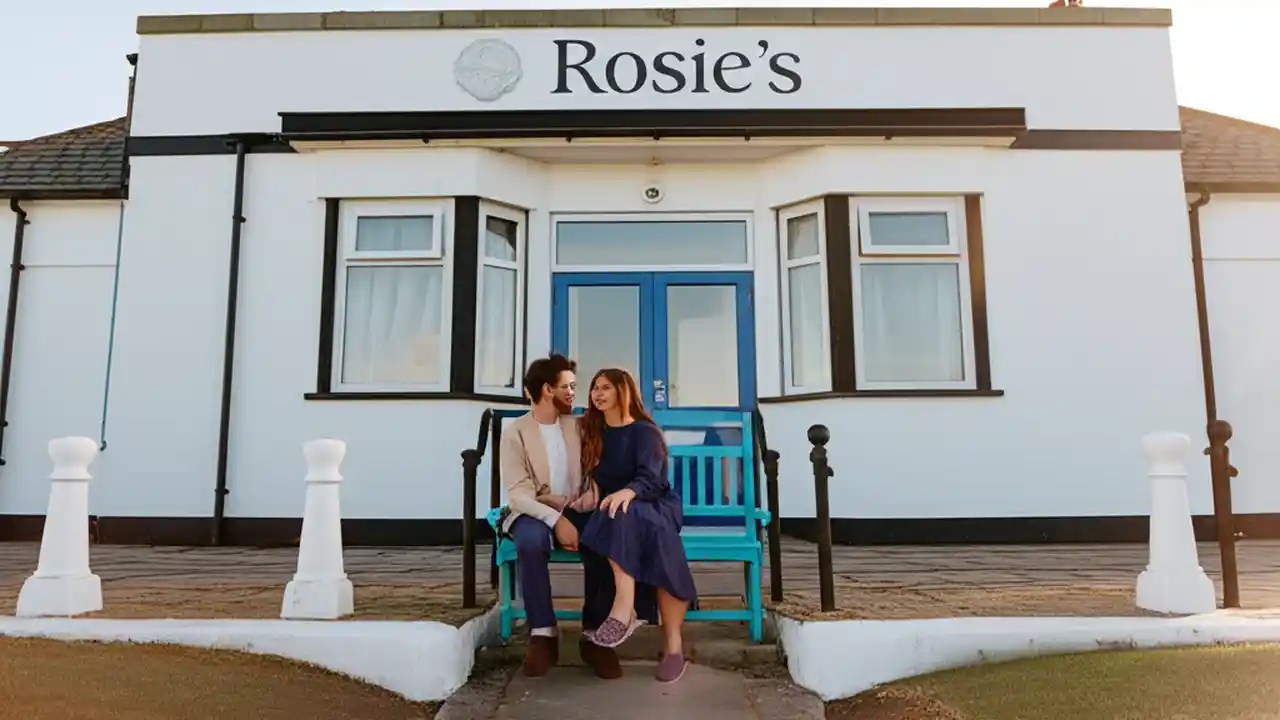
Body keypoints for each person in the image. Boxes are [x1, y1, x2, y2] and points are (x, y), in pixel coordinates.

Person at [497, 354, 620, 679]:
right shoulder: (516, 433)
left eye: (574, 386)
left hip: (577, 507)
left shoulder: (578, 425)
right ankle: (543, 633)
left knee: (602, 539)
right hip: (533, 511)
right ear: (546, 389)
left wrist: (592, 492)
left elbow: (596, 467)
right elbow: (519, 496)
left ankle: (595, 636)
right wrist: (556, 520)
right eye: (566, 387)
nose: (572, 393)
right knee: (530, 542)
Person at [576, 368, 698, 684]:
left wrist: (628, 492)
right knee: (615, 513)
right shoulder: (594, 432)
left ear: (623, 391)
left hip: (654, 505)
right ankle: (634, 615)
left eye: (606, 387)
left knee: (633, 521)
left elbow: (653, 478)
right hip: (618, 513)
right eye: (594, 389)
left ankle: (652, 629)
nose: (598, 394)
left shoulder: (645, 432)